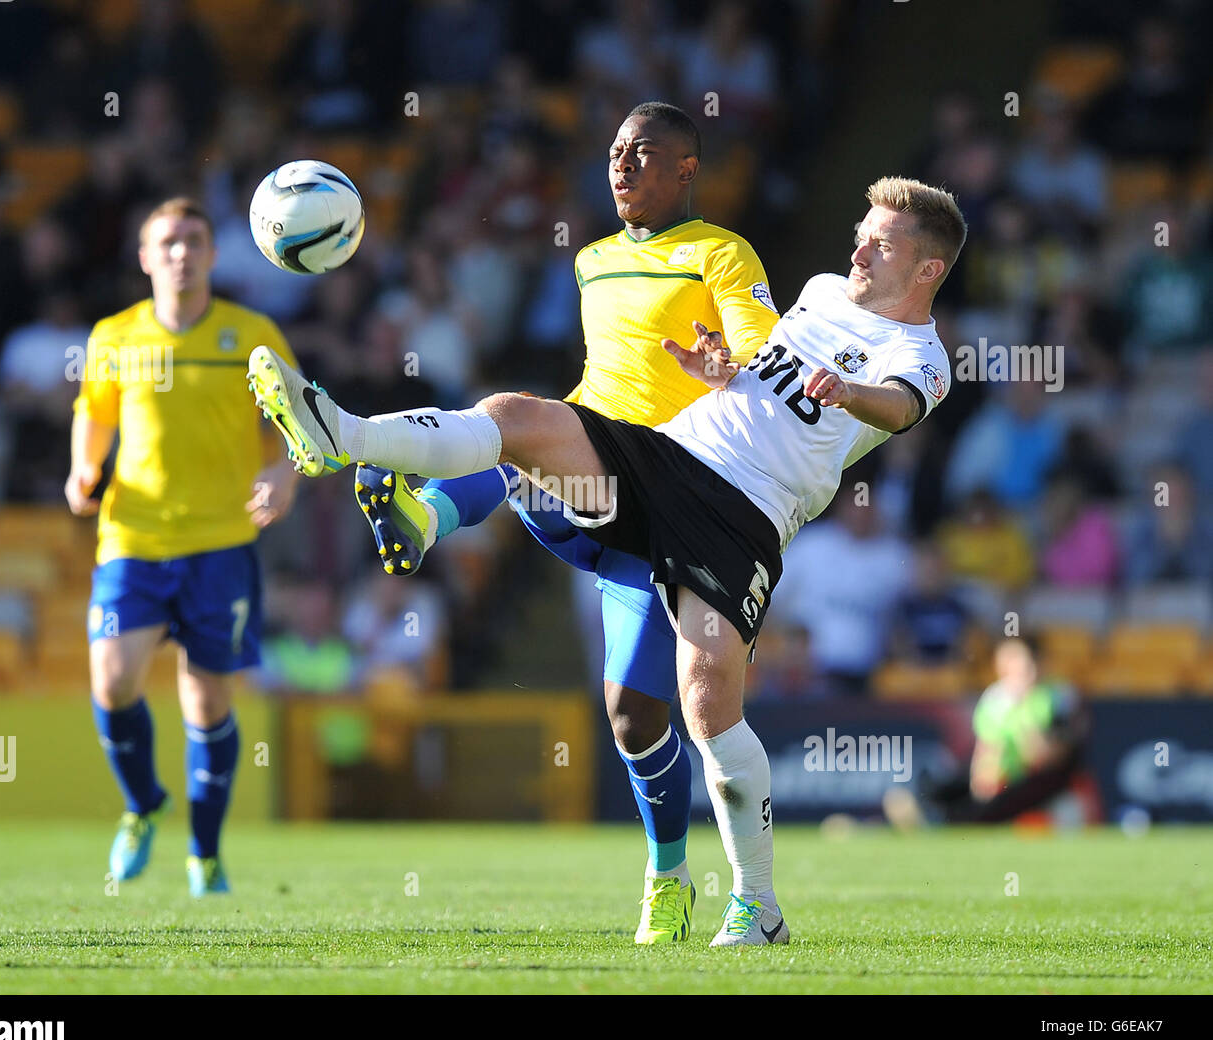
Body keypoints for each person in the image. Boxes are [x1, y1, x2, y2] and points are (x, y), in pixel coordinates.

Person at [250, 175, 966, 945]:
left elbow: (896, 406)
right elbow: (774, 385)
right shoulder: (824, 289)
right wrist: (723, 373)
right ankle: (345, 434)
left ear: (926, 270)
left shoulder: (921, 354)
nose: (858, 247)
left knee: (706, 707)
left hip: (745, 515)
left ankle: (758, 906)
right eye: (861, 230)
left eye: (881, 243)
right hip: (672, 456)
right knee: (515, 418)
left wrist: (851, 390)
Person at [354, 102, 778, 944]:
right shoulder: (590, 261)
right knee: (520, 442)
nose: (621, 164)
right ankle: (426, 519)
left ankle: (667, 872)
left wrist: (727, 364)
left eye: (644, 152)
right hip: (601, 465)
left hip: (679, 502)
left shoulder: (722, 252)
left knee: (630, 716)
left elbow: (763, 353)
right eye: (615, 150)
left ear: (687, 169)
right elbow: (602, 378)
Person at [67, 197, 299, 896]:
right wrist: (83, 470)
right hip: (133, 536)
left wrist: (284, 473)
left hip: (221, 543)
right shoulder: (114, 335)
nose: (180, 253)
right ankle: (143, 805)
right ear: (144, 257)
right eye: (166, 242)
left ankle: (204, 855)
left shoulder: (253, 336)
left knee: (208, 706)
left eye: (193, 240)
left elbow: (299, 420)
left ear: (213, 253)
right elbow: (95, 415)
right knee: (112, 681)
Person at [884, 636, 1087, 827]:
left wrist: (1024, 717)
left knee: (996, 804)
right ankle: (924, 813)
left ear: (1038, 663)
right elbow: (988, 747)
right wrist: (983, 778)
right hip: (1006, 775)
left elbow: (1049, 757)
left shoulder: (1059, 696)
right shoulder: (996, 698)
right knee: (949, 787)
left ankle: (935, 823)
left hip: (1042, 779)